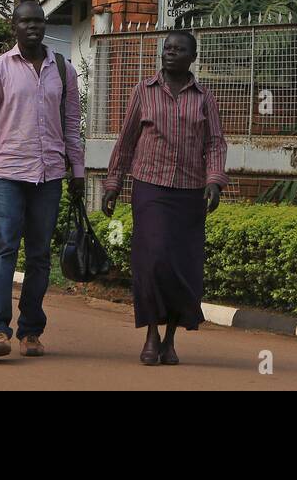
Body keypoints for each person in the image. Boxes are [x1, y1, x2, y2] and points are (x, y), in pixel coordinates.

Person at [0, 1, 84, 359]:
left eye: (38, 22)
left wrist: (78, 171)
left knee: (40, 255)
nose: (33, 28)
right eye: (25, 22)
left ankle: (31, 332)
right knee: (6, 248)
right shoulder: (0, 69)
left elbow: (72, 124)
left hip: (50, 175)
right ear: (14, 27)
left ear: (45, 26)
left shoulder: (63, 69)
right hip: (6, 174)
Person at [101, 30, 227, 365]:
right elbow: (126, 141)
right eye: (167, 48)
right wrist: (113, 183)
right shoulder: (144, 90)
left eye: (179, 49)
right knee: (153, 259)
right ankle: (151, 334)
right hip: (150, 187)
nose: (170, 53)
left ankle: (170, 339)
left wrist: (214, 181)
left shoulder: (204, 97)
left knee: (181, 267)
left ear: (192, 57)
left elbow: (215, 142)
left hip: (189, 193)